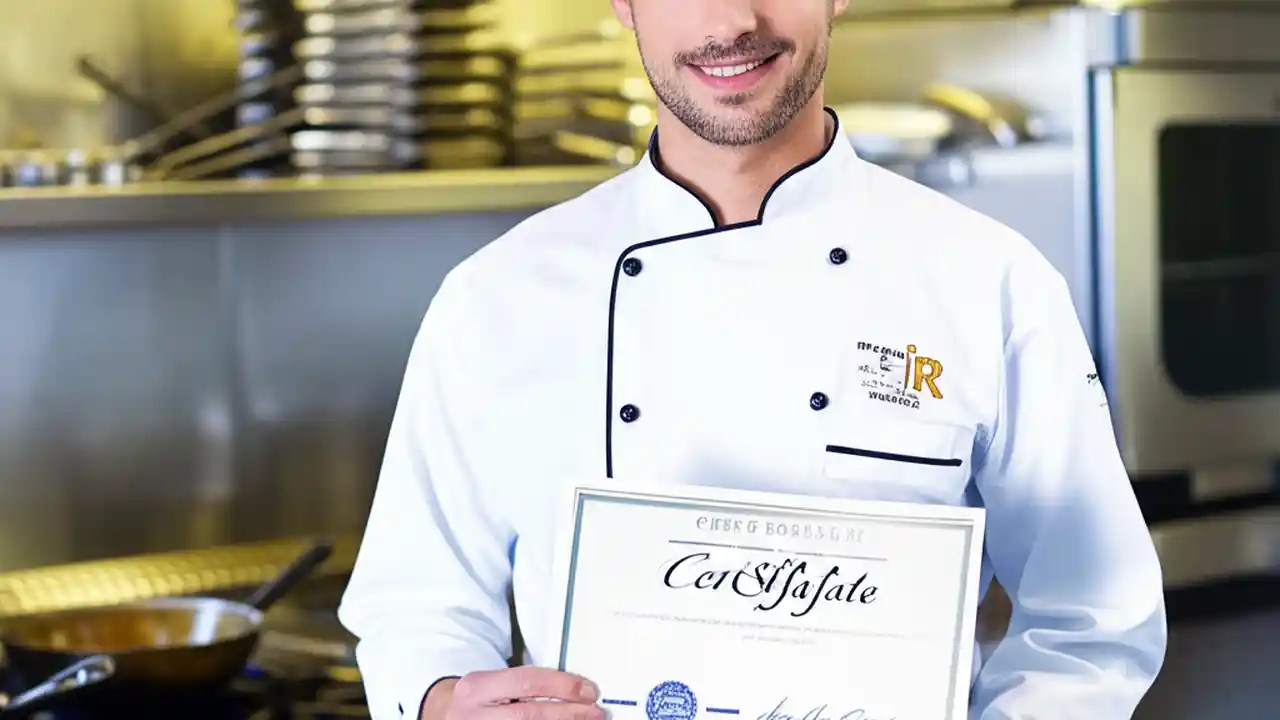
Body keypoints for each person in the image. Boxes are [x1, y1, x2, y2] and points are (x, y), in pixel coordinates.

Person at [337, 0, 1168, 718]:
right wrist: (443, 699)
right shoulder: (496, 296)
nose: (731, 23)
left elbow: (1092, 615)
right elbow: (415, 603)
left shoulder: (991, 281)